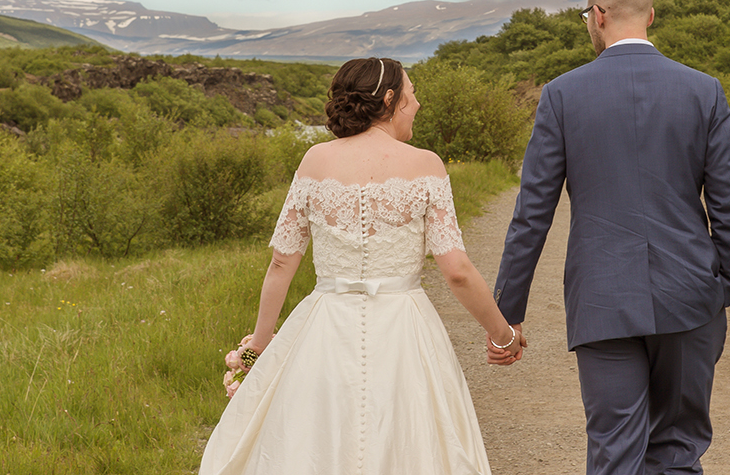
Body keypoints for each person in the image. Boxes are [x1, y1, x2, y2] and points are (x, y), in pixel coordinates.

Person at [200, 57, 519, 475]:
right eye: (412, 92)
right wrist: (502, 334)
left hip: (323, 325)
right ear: (390, 99)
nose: (417, 103)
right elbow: (456, 270)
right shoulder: (426, 165)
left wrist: (258, 346)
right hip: (404, 328)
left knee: (314, 441)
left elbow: (282, 262)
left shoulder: (315, 160)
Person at [492, 0, 730, 475]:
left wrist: (508, 311)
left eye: (587, 16)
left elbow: (532, 213)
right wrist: (723, 286)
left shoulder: (562, 95)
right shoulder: (704, 91)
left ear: (599, 16)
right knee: (678, 450)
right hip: (692, 297)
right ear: (650, 15)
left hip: (602, 298)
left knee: (613, 452)